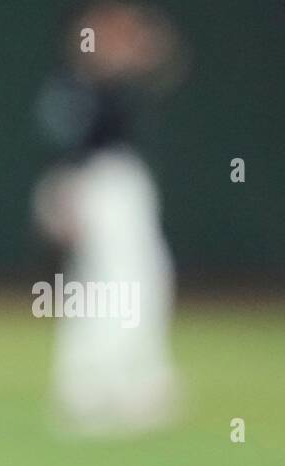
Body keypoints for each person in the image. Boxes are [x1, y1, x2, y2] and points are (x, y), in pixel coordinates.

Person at [32, 2, 185, 437]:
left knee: (109, 286)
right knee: (125, 285)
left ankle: (104, 386)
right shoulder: (82, 86)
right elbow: (69, 147)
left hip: (104, 184)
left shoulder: (90, 84)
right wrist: (62, 195)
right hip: (102, 186)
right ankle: (113, 387)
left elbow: (164, 62)